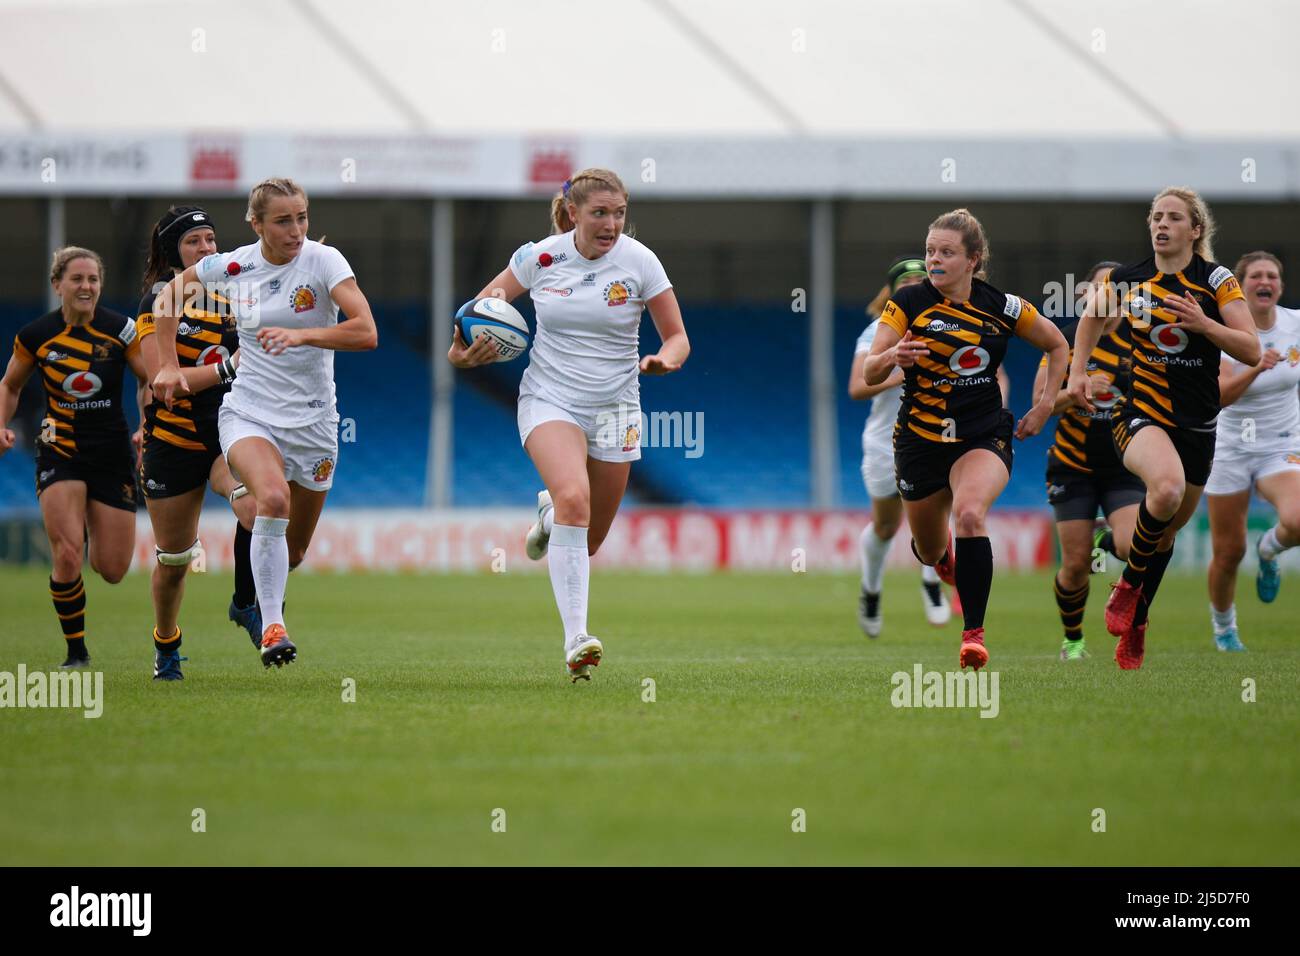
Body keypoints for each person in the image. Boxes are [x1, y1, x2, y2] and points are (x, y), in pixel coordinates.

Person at [449, 167, 689, 683]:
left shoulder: (641, 261)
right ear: (573, 213)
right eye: (600, 213)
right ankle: (577, 639)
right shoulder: (539, 257)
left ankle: (548, 518)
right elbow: (478, 310)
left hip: (618, 409)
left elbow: (678, 338)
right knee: (575, 500)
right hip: (549, 399)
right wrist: (462, 352)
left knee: (590, 538)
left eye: (619, 213)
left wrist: (665, 359)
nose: (611, 223)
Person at [151, 178, 379, 668]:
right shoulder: (234, 265)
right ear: (256, 224)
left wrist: (304, 337)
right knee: (270, 500)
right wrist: (167, 365)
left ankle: (248, 602)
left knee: (292, 552)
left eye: (301, 218)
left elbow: (366, 331)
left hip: (316, 425)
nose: (295, 230)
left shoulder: (324, 262)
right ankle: (272, 628)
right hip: (249, 412)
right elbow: (167, 298)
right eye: (282, 220)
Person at [863, 208, 1068, 669]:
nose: (934, 260)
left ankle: (973, 635)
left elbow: (1058, 344)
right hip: (919, 440)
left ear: (973, 259)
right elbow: (869, 369)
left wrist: (1045, 406)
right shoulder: (909, 303)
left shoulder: (1003, 306)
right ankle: (943, 559)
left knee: (971, 514)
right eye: (931, 251)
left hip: (982, 434)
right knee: (931, 549)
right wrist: (895, 353)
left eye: (946, 253)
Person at [1068, 186, 1259, 669]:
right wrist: (1076, 372)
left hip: (1199, 428)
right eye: (1156, 216)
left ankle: (1137, 623)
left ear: (1195, 230)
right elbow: (1091, 319)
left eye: (1173, 218)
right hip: (1138, 414)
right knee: (1167, 488)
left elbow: (1251, 350)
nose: (1161, 224)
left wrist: (1205, 325)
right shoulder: (1128, 280)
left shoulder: (1216, 282)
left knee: (1167, 533)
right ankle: (1128, 587)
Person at [0, 247, 147, 667]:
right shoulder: (35, 335)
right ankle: (76, 651)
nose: (86, 286)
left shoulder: (122, 330)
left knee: (113, 568)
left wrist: (145, 424)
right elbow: (9, 385)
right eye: (77, 279)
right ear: (57, 285)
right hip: (59, 450)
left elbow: (148, 382)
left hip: (112, 453)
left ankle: (92, 527)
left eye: (93, 280)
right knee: (66, 552)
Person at [135, 205, 259, 680]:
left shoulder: (234, 292)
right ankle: (166, 642)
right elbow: (162, 379)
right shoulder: (159, 301)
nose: (207, 248)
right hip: (172, 441)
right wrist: (229, 367)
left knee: (255, 505)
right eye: (194, 242)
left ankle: (246, 603)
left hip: (226, 432)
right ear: (173, 252)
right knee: (175, 562)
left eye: (210, 239)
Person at [1033, 260, 1145, 661]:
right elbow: (1040, 405)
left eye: (1118, 293)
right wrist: (1074, 393)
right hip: (1071, 467)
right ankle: (1074, 639)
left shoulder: (1139, 342)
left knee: (1134, 545)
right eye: (1102, 290)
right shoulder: (1063, 342)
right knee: (1077, 565)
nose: (1110, 300)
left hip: (1123, 467)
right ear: (1086, 295)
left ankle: (1107, 538)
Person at [848, 256, 950, 637]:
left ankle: (931, 581)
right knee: (887, 526)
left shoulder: (947, 324)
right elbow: (857, 387)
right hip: (884, 444)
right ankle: (871, 591)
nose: (913, 288)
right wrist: (898, 371)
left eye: (919, 282)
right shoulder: (876, 331)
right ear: (891, 293)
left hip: (931, 434)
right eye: (904, 284)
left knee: (937, 512)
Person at [1204, 251, 1300, 651]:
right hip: (1230, 446)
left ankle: (1269, 550)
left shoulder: (1295, 323)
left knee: (1297, 520)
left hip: (1281, 444)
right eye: (1257, 275)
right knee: (1228, 552)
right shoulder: (1229, 335)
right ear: (1241, 288)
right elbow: (1220, 397)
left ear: (1279, 285)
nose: (1266, 281)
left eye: (1273, 276)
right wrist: (1257, 366)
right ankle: (1224, 628)